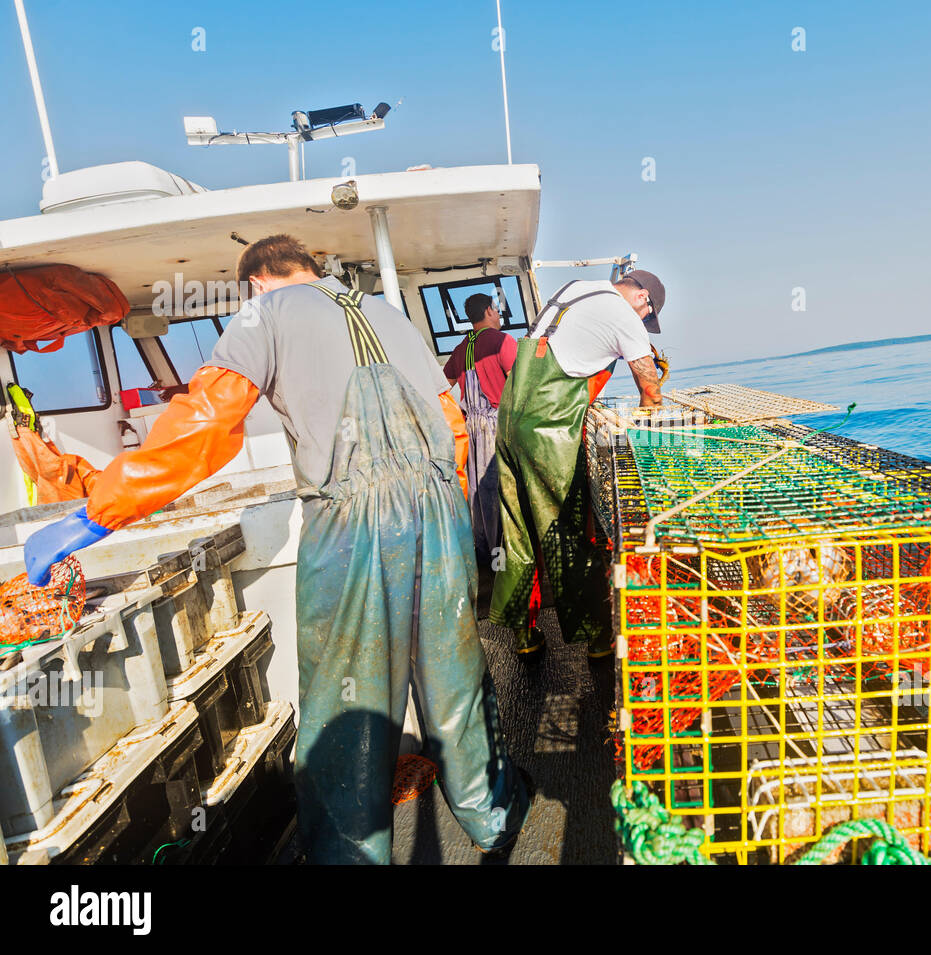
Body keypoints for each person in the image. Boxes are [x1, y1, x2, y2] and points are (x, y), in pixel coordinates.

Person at [25, 234, 530, 863]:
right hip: (439, 511)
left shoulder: (264, 312)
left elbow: (208, 423)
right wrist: (441, 511)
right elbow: (449, 418)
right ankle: (492, 815)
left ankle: (350, 853)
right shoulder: (385, 311)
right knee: (454, 674)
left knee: (350, 696)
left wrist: (100, 512)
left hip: (352, 523)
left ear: (257, 282)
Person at [490, 269, 666, 659]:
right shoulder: (625, 316)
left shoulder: (574, 290)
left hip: (508, 423)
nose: (642, 323)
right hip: (546, 430)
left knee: (517, 529)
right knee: (565, 529)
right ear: (643, 299)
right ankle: (597, 638)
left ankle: (523, 634)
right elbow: (651, 396)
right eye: (646, 317)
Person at [442, 292, 517, 567]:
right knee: (502, 491)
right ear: (488, 310)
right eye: (496, 310)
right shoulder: (502, 341)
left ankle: (485, 558)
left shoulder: (462, 348)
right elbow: (517, 385)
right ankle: (506, 560)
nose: (498, 315)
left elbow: (442, 385)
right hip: (496, 426)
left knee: (478, 493)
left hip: (471, 428)